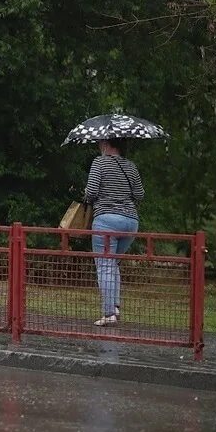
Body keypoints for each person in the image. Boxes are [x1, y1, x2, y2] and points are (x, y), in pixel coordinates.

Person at [83, 138, 144, 326]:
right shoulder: (131, 166)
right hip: (131, 222)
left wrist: (85, 192)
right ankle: (115, 306)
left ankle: (109, 314)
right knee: (113, 263)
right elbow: (140, 195)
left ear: (105, 144)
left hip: (107, 220)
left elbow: (91, 191)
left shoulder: (99, 162)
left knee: (105, 266)